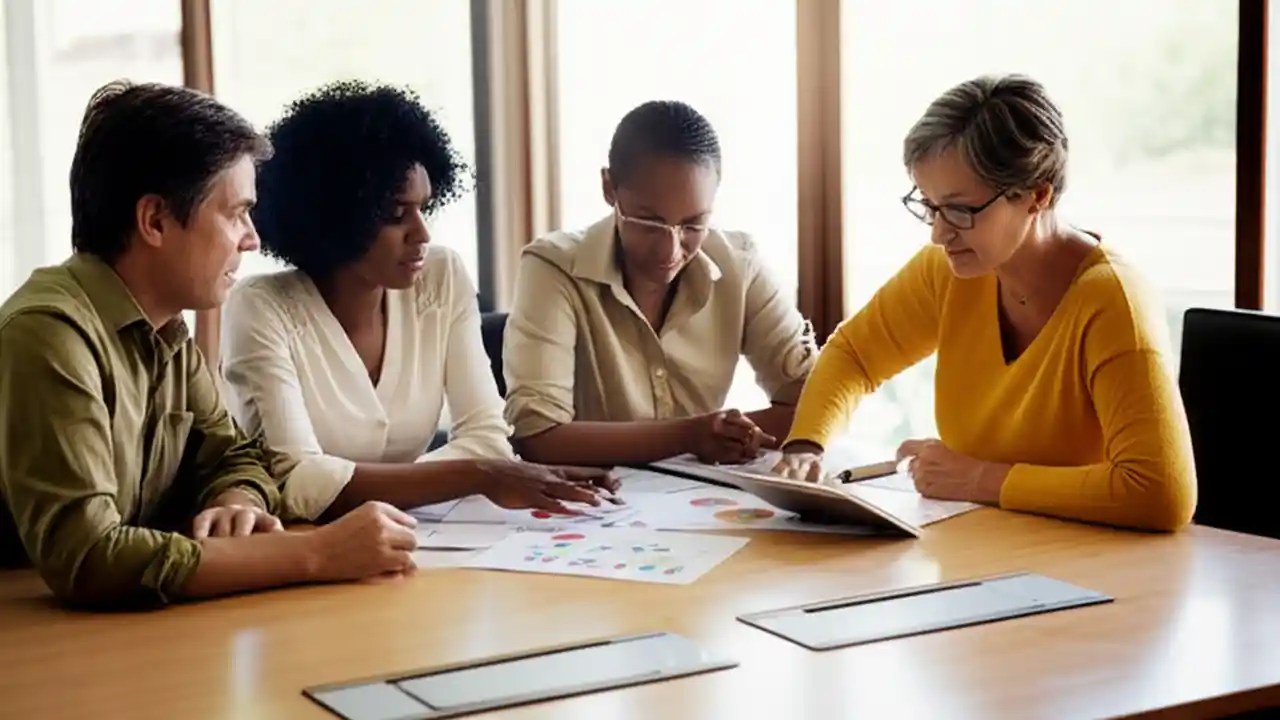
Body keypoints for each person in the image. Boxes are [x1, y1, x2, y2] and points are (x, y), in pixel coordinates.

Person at [0, 81, 425, 609]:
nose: (251, 238)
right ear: (155, 220)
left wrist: (236, 498)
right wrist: (316, 552)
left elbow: (236, 457)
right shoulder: (49, 334)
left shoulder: (167, 331)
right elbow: (87, 557)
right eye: (235, 213)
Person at [774, 74, 1197, 532]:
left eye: (960, 210)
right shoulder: (950, 269)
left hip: (1093, 570)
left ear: (1037, 195)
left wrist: (980, 478)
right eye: (930, 206)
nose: (939, 233)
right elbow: (855, 355)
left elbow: (1159, 492)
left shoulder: (1112, 301)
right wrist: (807, 445)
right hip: (983, 550)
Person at [221, 80, 618, 523]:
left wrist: (480, 473)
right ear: (334, 216)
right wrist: (480, 476)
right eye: (395, 215)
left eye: (423, 208)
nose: (422, 233)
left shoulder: (441, 277)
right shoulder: (260, 308)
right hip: (309, 550)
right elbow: (299, 482)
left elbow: (487, 435)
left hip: (417, 544)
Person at [503, 100, 817, 467]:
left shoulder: (739, 264)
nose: (670, 249)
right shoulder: (554, 267)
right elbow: (538, 438)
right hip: (598, 503)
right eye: (649, 222)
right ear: (609, 189)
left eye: (693, 224)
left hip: (704, 503)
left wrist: (723, 435)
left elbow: (817, 402)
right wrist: (691, 436)